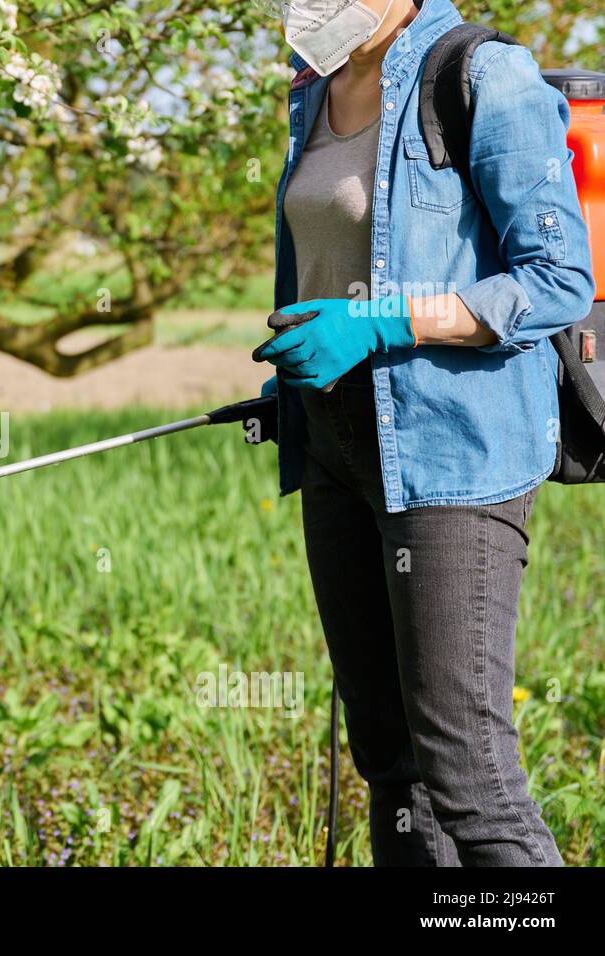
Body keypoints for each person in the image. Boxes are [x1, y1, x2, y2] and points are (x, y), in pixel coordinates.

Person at [252, 0, 595, 865]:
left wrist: (379, 323)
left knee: (468, 779)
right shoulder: (313, 90)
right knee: (390, 763)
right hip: (334, 442)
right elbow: (332, 251)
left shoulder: (482, 75)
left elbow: (556, 280)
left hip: (450, 451)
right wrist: (296, 367)